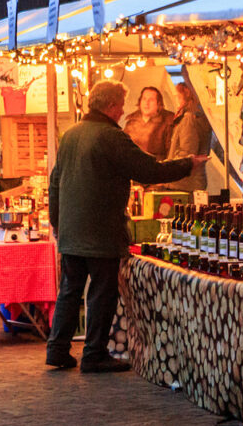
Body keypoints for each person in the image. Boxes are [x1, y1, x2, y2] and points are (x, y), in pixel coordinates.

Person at [45, 80, 206, 373]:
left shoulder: (70, 136)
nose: (122, 110)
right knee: (102, 292)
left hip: (71, 230)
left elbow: (54, 183)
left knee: (69, 289)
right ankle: (93, 353)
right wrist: (187, 164)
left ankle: (57, 349)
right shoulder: (110, 137)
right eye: (120, 104)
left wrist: (58, 222)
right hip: (101, 230)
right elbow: (148, 170)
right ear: (109, 106)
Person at [158, 81, 212, 193]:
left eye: (178, 96)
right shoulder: (199, 117)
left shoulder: (188, 119)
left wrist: (166, 171)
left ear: (186, 97)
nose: (176, 99)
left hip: (184, 183)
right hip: (190, 181)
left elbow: (187, 152)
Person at [121, 85, 173, 157]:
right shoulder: (131, 122)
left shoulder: (167, 122)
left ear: (158, 103)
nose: (146, 103)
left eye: (151, 100)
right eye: (144, 99)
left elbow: (170, 152)